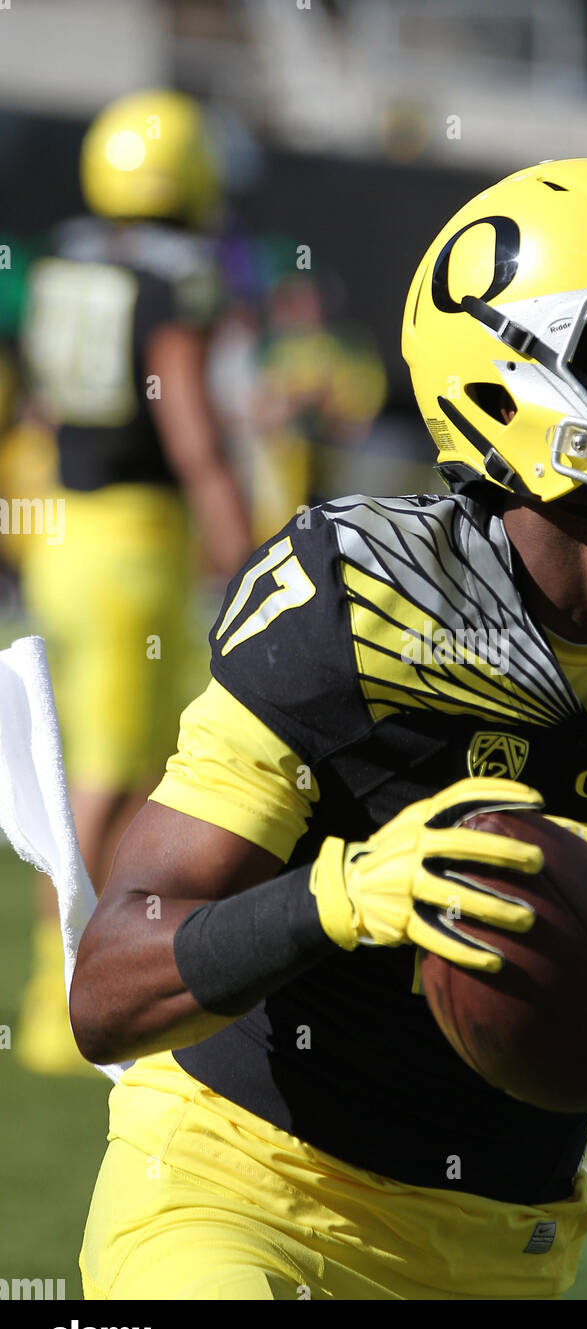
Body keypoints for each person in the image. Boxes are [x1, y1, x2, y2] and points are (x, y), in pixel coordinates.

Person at [71, 158, 587, 1301]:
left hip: (508, 1245)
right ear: (512, 392)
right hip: (229, 1187)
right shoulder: (362, 602)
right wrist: (340, 895)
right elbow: (110, 987)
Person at [16, 89, 253, 1074]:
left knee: (131, 761)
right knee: (108, 772)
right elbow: (193, 432)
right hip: (134, 543)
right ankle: (59, 989)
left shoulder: (64, 255)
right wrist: (247, 555)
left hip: (65, 530)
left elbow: (38, 404)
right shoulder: (176, 279)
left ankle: (107, 969)